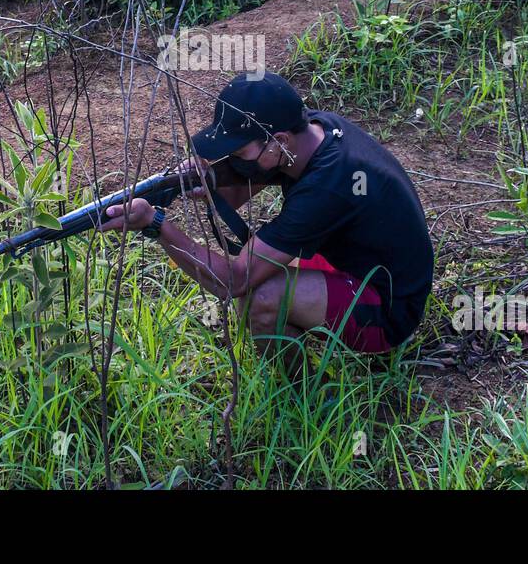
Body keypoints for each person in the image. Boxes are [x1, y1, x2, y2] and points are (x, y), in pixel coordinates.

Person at [99, 72, 434, 370]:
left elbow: (234, 282)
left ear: (280, 142)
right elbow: (238, 191)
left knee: (261, 297)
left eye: (239, 152)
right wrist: (209, 179)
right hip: (361, 263)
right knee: (264, 272)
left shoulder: (328, 186)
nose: (234, 160)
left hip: (387, 310)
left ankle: (303, 396)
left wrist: (155, 224)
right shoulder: (312, 131)